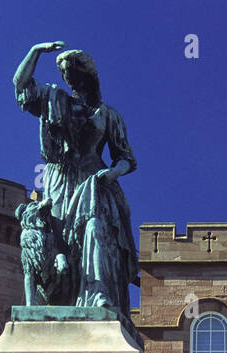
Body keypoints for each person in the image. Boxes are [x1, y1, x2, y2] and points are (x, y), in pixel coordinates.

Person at [13, 42, 139, 313]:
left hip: (94, 182)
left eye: (72, 70)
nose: (68, 77)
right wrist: (35, 51)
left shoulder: (109, 115)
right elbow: (20, 84)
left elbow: (127, 158)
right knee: (59, 243)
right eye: (64, 72)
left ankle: (97, 294)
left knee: (94, 229)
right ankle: (56, 302)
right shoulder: (54, 99)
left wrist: (113, 172)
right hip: (59, 179)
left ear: (88, 75)